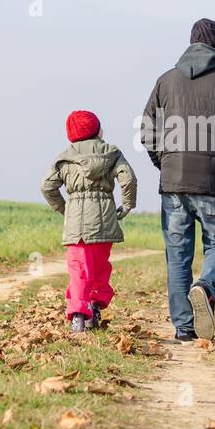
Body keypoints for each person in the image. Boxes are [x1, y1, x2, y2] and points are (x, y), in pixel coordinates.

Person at [142, 18, 215, 342]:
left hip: (173, 183)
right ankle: (206, 288)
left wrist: (164, 162)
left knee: (177, 255)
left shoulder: (165, 81)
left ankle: (184, 328)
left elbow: (147, 129)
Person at [41, 110, 137, 334]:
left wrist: (64, 208)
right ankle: (94, 307)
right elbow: (129, 179)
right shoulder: (112, 153)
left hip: (76, 224)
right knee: (101, 266)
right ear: (98, 131)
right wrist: (127, 204)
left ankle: (78, 316)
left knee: (79, 269)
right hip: (105, 220)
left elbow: (47, 187)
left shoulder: (64, 157)